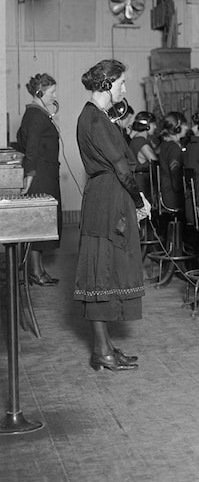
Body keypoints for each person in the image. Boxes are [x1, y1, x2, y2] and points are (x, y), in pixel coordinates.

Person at [73, 59, 151, 372]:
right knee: (100, 273)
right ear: (107, 84)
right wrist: (138, 200)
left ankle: (105, 348)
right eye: (121, 83)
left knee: (108, 272)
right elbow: (120, 166)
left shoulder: (99, 117)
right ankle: (101, 351)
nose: (124, 88)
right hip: (108, 201)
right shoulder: (94, 119)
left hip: (107, 198)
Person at [16, 73, 62, 286]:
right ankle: (35, 272)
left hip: (45, 173)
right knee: (39, 224)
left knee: (42, 225)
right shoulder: (35, 116)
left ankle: (38, 270)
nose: (55, 95)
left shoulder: (37, 113)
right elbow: (31, 148)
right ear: (40, 93)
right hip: (40, 175)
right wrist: (30, 175)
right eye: (52, 92)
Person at [157, 112, 187, 216]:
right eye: (184, 125)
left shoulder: (165, 145)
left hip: (165, 193)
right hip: (173, 197)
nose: (186, 128)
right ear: (177, 128)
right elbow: (177, 180)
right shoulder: (173, 148)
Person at [128, 111, 158, 203]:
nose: (155, 127)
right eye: (153, 124)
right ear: (147, 125)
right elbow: (154, 161)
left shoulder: (139, 140)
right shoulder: (140, 142)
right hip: (143, 185)